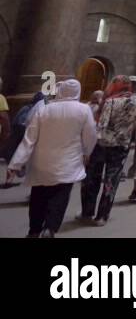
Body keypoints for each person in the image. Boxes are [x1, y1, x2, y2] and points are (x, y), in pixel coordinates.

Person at [7, 80, 97, 237]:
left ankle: (34, 230)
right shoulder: (83, 110)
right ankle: (50, 227)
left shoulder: (44, 110)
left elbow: (29, 139)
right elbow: (91, 135)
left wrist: (16, 163)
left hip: (42, 162)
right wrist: (86, 152)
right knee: (60, 197)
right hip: (68, 162)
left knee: (38, 195)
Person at [78, 76, 136, 226]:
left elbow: (102, 124)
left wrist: (88, 148)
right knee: (111, 180)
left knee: (92, 178)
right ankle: (102, 216)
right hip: (122, 145)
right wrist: (126, 128)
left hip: (103, 144)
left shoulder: (110, 101)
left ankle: (87, 212)